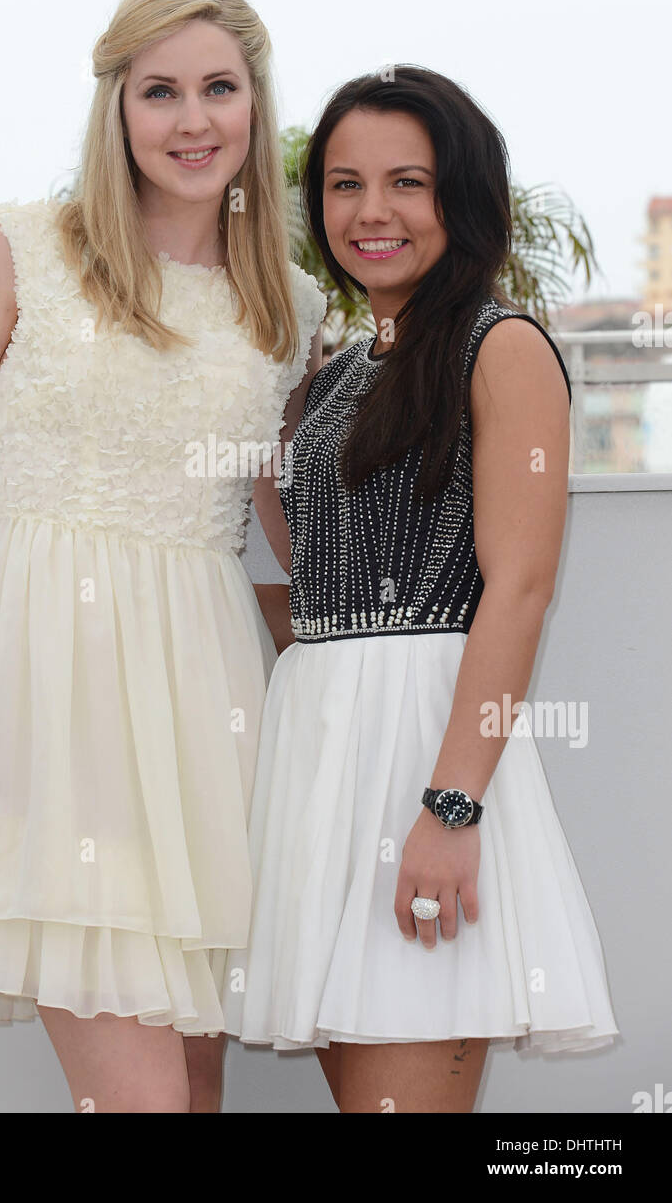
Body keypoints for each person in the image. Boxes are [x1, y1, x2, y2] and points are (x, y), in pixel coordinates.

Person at [0, 0, 326, 1113]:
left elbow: (289, 535)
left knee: (194, 1087)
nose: (191, 119)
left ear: (254, 105)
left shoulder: (293, 304)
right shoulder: (23, 248)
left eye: (219, 88)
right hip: (51, 697)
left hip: (211, 705)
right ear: (116, 105)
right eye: (158, 89)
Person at [221, 66, 619, 1112]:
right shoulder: (325, 378)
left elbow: (520, 589)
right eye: (345, 184)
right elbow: (315, 598)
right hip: (317, 770)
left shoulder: (504, 347)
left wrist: (449, 807)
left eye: (408, 180)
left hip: (426, 763)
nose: (371, 211)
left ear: (463, 195)